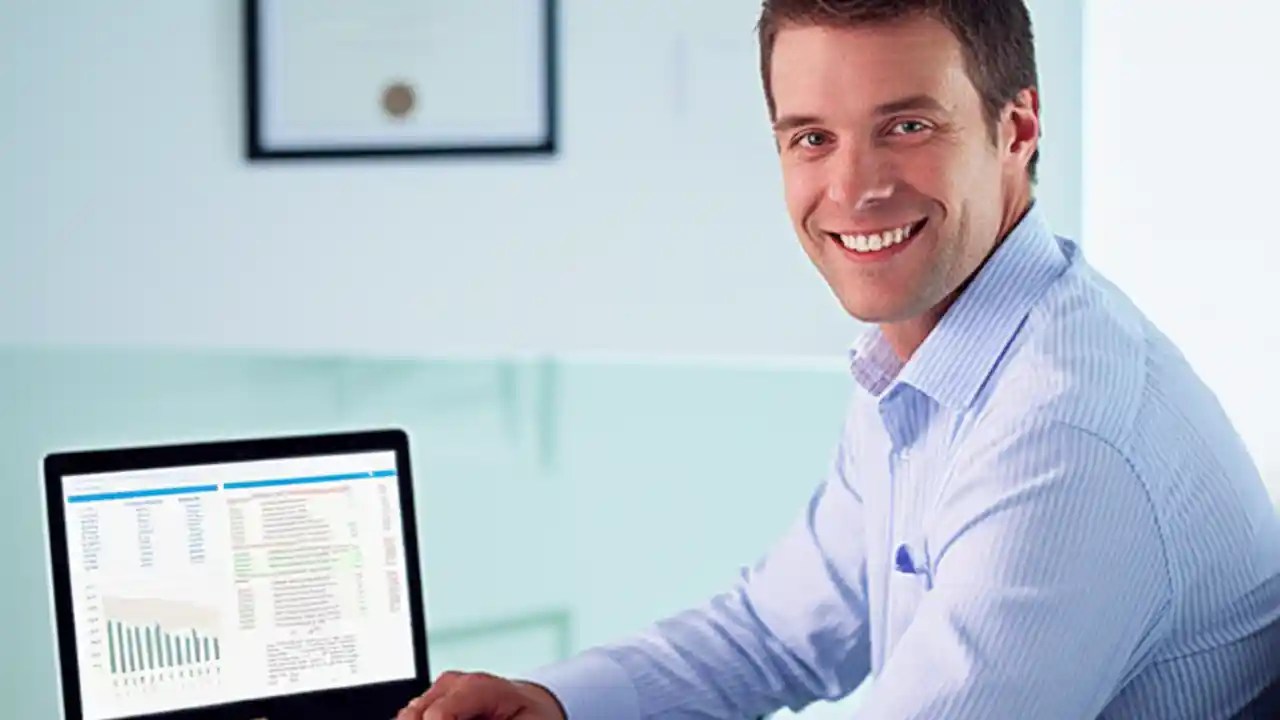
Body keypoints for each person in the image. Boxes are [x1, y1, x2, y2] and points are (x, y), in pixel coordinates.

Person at [398, 1, 1280, 717]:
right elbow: (774, 634)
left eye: (904, 126)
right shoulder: (926, 358)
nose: (853, 189)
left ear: (1016, 127)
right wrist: (552, 704)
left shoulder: (1063, 432)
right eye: (812, 138)